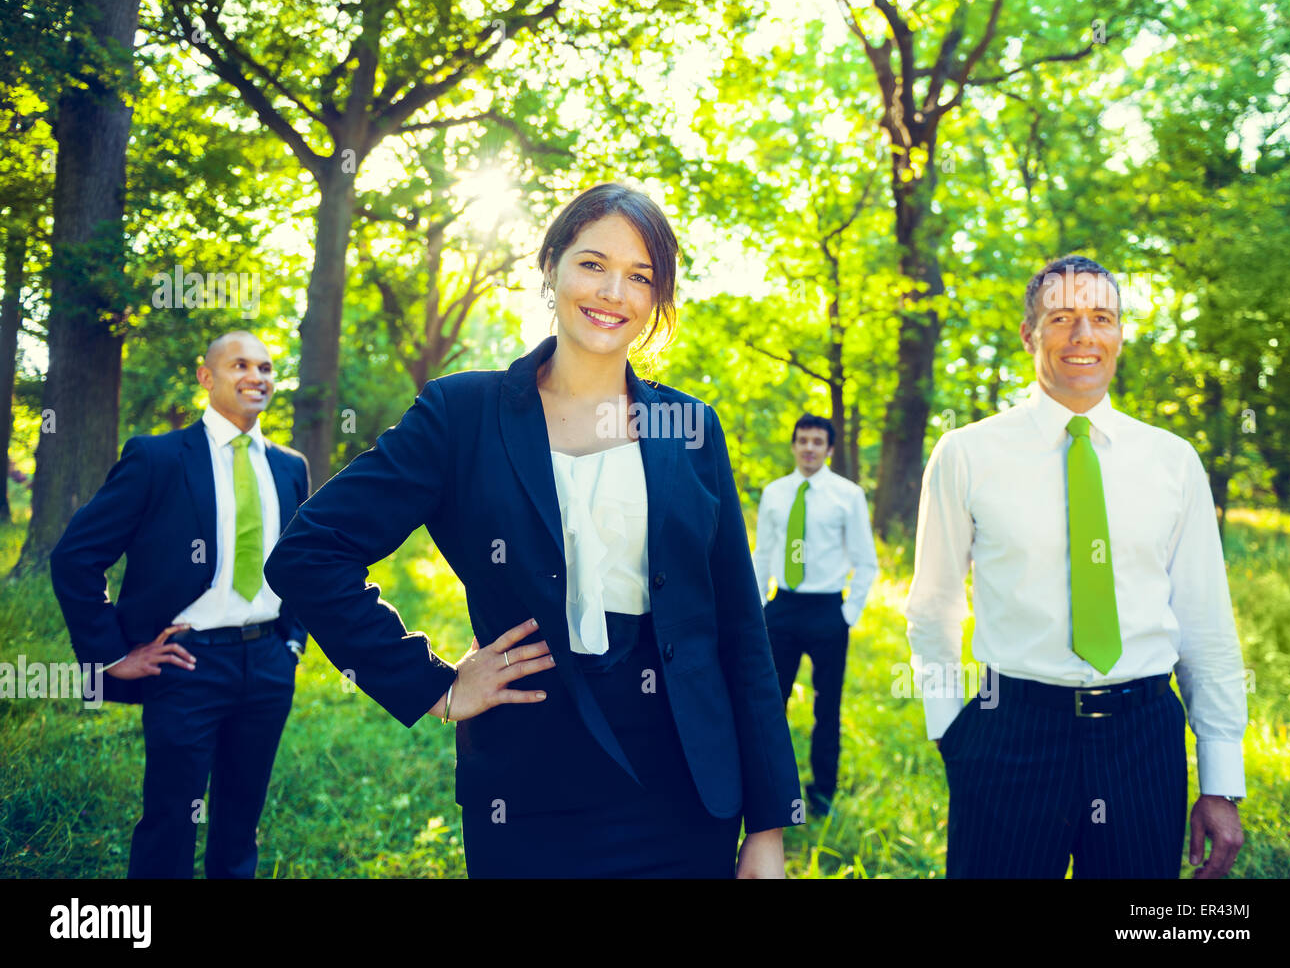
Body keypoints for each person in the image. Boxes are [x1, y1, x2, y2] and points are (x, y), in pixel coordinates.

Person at [264, 182, 802, 878]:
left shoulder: (690, 428)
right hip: (530, 785)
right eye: (592, 263)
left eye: (641, 277)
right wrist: (431, 685)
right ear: (551, 266)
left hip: (688, 787)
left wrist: (768, 823)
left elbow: (740, 630)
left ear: (658, 299)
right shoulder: (463, 414)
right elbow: (310, 554)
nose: (614, 291)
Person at [905, 255, 1247, 879]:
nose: (1083, 335)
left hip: (1142, 739)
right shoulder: (966, 454)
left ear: (1119, 334)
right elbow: (932, 606)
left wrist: (1221, 778)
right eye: (1061, 317)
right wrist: (951, 732)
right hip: (1007, 732)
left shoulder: (1173, 463)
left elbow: (1206, 625)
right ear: (1029, 333)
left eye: (1101, 317)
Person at [50, 330, 310, 878]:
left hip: (267, 664)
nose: (256, 377)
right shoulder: (157, 457)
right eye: (240, 365)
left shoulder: (290, 466)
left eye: (265, 368)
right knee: (171, 818)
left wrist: (291, 640)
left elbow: (302, 562)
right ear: (206, 376)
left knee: (241, 819)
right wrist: (111, 656)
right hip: (186, 664)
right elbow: (75, 556)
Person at [753, 413, 877, 817]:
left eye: (817, 442)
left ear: (829, 449)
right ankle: (770, 786)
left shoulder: (848, 495)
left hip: (827, 611)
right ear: (794, 445)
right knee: (771, 702)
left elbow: (866, 561)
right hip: (782, 608)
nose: (809, 447)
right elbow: (763, 554)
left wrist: (848, 614)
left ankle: (822, 793)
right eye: (802, 440)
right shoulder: (774, 492)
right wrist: (757, 609)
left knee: (828, 706)